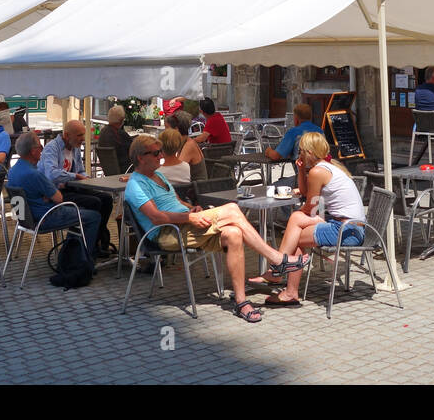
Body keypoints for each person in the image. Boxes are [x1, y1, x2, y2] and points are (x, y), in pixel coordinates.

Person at [122, 134, 309, 324]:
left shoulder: (159, 175)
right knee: (232, 209)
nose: (161, 155)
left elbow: (176, 202)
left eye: (160, 151)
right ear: (140, 157)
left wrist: (190, 208)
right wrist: (190, 217)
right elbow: (156, 217)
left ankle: (241, 301)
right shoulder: (136, 184)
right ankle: (276, 259)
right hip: (168, 233)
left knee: (233, 233)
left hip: (184, 224)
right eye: (155, 153)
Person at [253, 133, 366, 306]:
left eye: (301, 151)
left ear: (310, 152)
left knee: (296, 222)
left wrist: (300, 213)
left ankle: (278, 273)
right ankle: (283, 282)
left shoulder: (317, 171)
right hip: (349, 226)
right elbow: (307, 194)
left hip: (347, 230)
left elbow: (310, 208)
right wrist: (299, 170)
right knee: (296, 231)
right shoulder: (327, 167)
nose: (299, 154)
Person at [9, 132, 103, 261]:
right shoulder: (34, 174)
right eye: (40, 147)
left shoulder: (13, 171)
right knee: (93, 216)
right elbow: (59, 198)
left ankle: (73, 253)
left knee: (85, 207)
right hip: (45, 217)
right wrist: (49, 193)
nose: (42, 150)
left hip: (24, 218)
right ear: (33, 151)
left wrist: (46, 194)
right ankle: (82, 259)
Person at [28, 126, 115, 257]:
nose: (82, 139)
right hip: (53, 193)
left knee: (107, 199)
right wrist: (76, 176)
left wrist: (86, 178)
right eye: (79, 135)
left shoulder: (75, 148)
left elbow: (79, 170)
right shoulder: (52, 148)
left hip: (70, 187)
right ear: (67, 135)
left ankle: (94, 241)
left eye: (83, 135)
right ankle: (85, 246)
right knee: (94, 202)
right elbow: (51, 174)